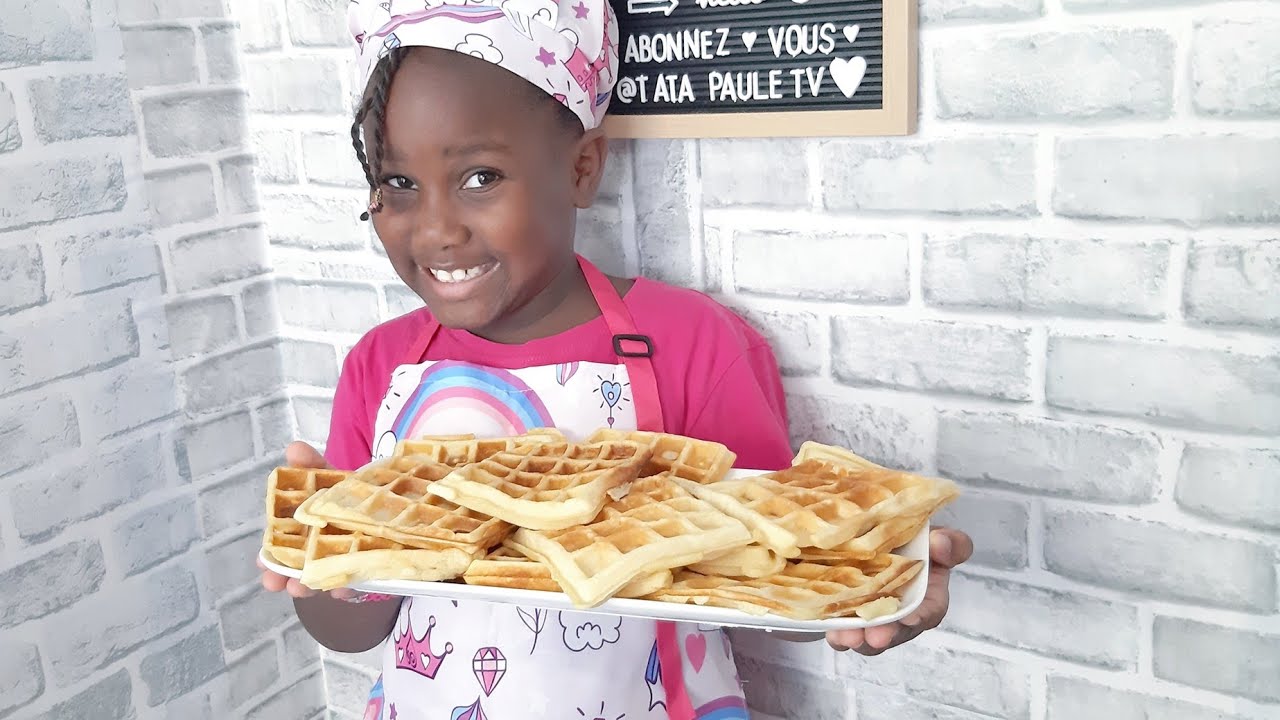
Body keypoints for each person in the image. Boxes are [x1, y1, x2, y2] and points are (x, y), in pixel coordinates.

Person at [257, 1, 974, 717]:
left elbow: (765, 581)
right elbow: (353, 629)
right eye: (398, 184)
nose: (438, 229)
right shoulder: (380, 364)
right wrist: (322, 572)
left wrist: (868, 598)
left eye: (480, 177)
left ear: (582, 167)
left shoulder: (693, 342)